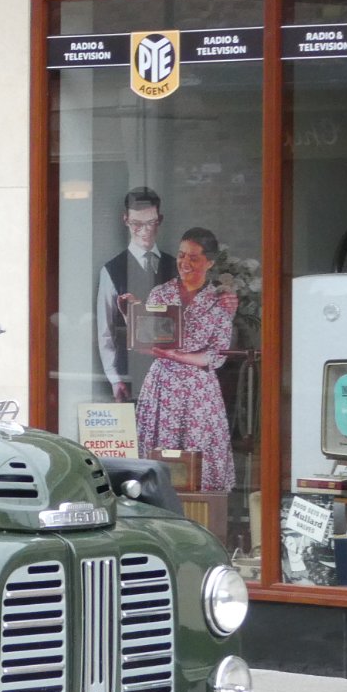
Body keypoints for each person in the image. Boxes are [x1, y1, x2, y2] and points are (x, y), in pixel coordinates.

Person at [136, 226, 237, 492]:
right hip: (162, 385)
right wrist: (132, 316)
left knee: (197, 463)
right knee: (159, 456)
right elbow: (145, 343)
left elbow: (217, 355)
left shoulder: (220, 300)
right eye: (182, 255)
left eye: (193, 257)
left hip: (198, 391)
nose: (185, 263)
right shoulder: (161, 294)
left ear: (210, 262)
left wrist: (178, 356)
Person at [95, 186, 176, 403]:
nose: (145, 230)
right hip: (132, 373)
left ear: (159, 219)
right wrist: (114, 379)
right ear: (126, 220)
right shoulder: (112, 270)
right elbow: (106, 331)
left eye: (151, 223)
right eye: (137, 224)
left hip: (176, 374)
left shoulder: (177, 266)